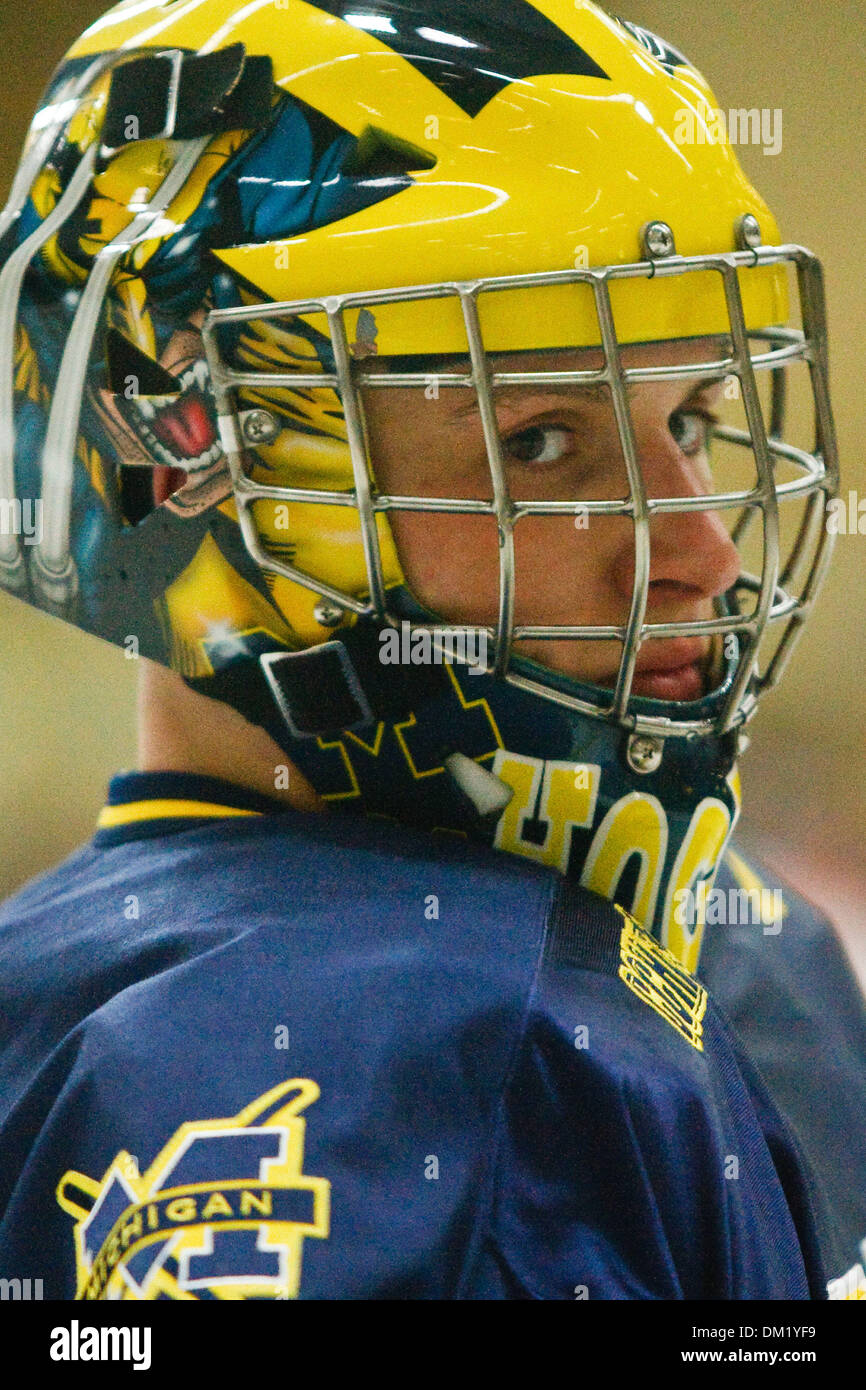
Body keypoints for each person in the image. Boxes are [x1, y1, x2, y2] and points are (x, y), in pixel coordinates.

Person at [0, 0, 861, 1300]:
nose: (703, 554)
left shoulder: (729, 952)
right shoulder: (437, 1052)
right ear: (178, 466)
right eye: (541, 444)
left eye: (690, 417)